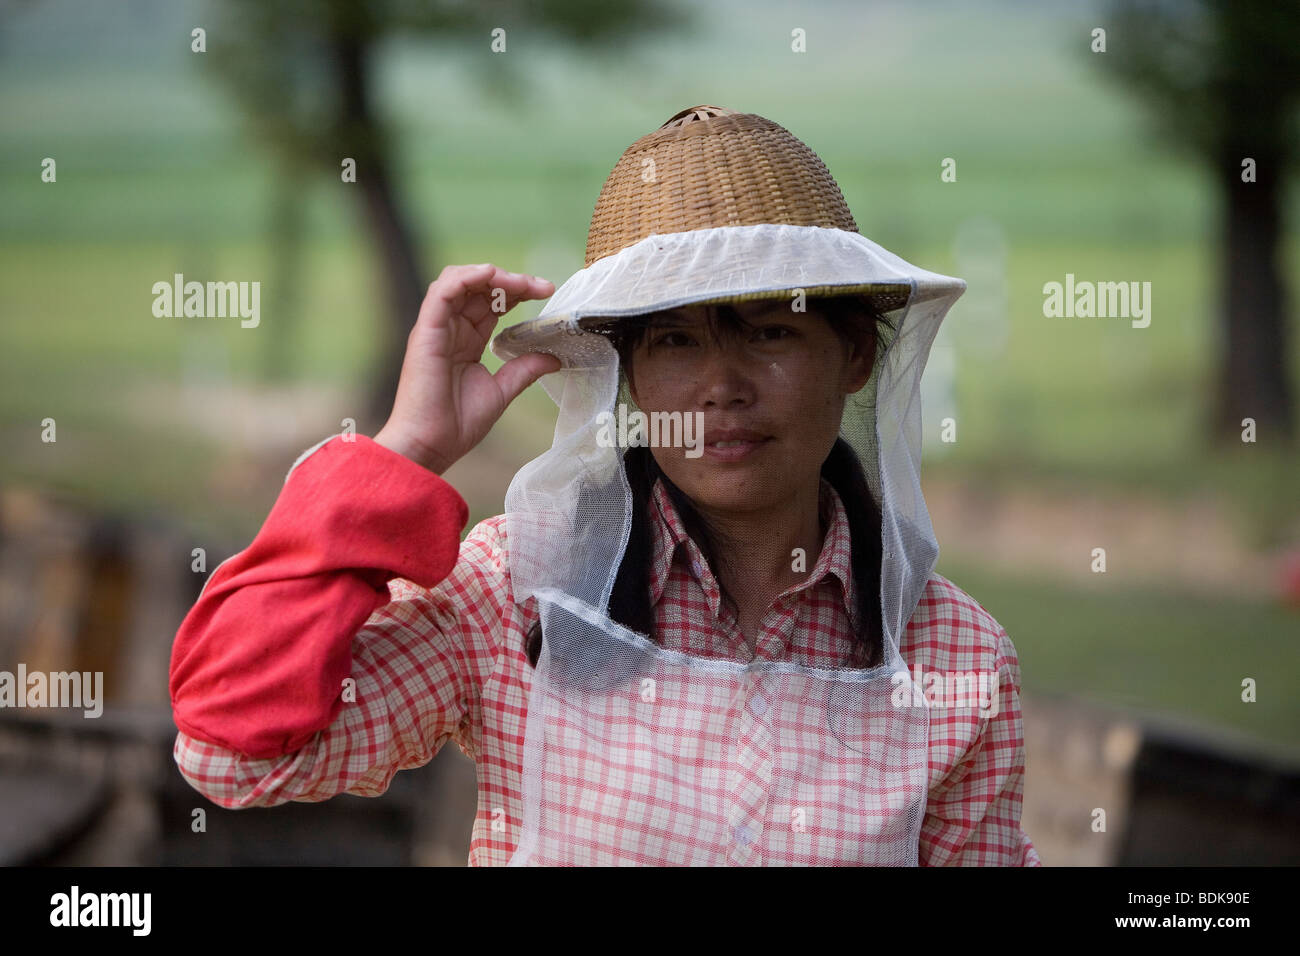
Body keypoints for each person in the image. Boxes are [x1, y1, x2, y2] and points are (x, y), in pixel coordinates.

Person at [169, 104, 1041, 866]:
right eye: (674, 342)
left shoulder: (953, 657)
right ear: (624, 376)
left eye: (773, 331)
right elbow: (233, 752)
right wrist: (405, 450)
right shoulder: (522, 592)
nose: (722, 385)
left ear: (854, 355)